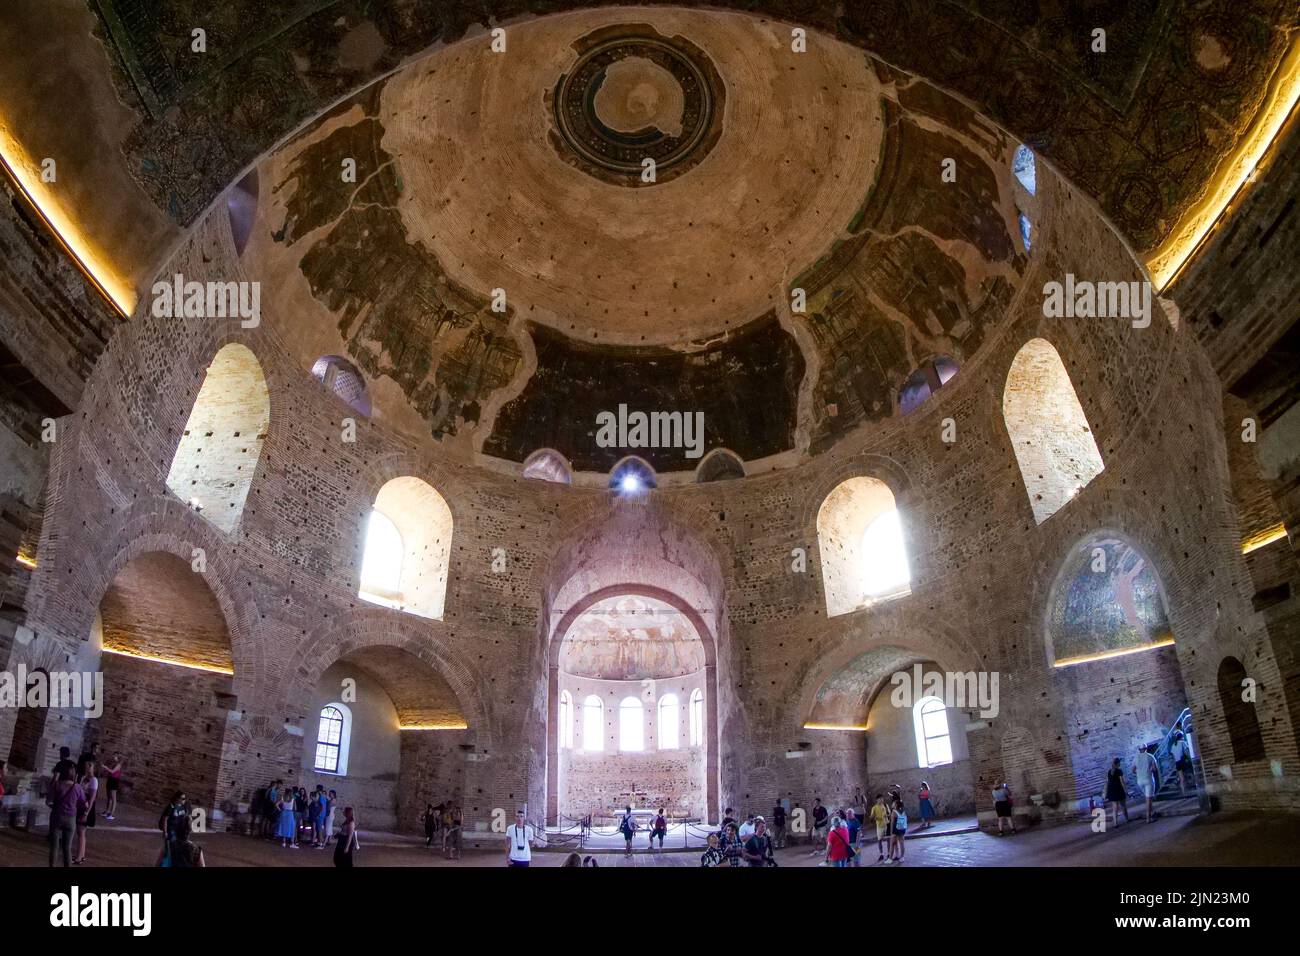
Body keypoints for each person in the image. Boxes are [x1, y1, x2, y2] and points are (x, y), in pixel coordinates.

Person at [47, 767, 85, 867]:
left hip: (56, 816)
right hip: (71, 818)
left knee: (54, 847)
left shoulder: (58, 785)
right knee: (67, 847)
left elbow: (48, 800)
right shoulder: (77, 787)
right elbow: (84, 803)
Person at [73, 757, 99, 864]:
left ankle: (79, 858)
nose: (87, 767)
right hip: (81, 806)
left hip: (86, 808)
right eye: (86, 765)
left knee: (81, 832)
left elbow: (92, 799)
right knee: (81, 832)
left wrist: (86, 813)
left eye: (89, 765)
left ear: (93, 767)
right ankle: (81, 855)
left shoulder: (94, 780)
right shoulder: (85, 778)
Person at [156, 791, 191, 866]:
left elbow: (185, 817)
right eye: (182, 798)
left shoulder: (182, 807)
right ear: (177, 798)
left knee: (174, 849)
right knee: (169, 849)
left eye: (185, 799)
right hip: (170, 831)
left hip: (177, 832)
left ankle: (169, 863)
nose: (184, 800)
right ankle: (164, 863)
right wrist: (165, 832)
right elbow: (165, 819)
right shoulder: (171, 806)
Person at [1133, 745, 1160, 822]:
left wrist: (1139, 772)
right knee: (1148, 799)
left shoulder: (1135, 758)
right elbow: (1155, 769)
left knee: (1148, 798)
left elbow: (1133, 770)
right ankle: (1148, 818)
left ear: (1139, 749)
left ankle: (1153, 812)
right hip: (1148, 780)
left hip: (1140, 781)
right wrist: (1149, 770)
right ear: (1146, 748)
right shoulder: (1150, 756)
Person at [1105, 756, 1130, 827]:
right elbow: (1122, 781)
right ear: (1118, 763)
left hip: (1111, 789)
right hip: (1118, 789)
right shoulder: (1119, 771)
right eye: (1119, 762)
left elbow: (1107, 782)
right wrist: (1126, 790)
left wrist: (1106, 792)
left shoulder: (1109, 771)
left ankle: (1115, 823)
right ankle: (1127, 819)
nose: (1120, 764)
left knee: (1115, 807)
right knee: (1123, 805)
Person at [102, 753, 123, 820]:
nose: (113, 757)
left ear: (117, 757)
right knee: (109, 797)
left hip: (114, 781)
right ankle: (107, 811)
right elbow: (109, 771)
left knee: (113, 798)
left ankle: (111, 814)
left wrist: (105, 767)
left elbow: (112, 771)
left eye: (114, 756)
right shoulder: (113, 763)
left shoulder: (119, 765)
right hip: (110, 780)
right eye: (113, 755)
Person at [1171, 731, 1192, 796]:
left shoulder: (1173, 745)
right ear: (1181, 736)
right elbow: (1186, 752)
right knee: (1190, 774)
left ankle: (1184, 793)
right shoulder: (1183, 743)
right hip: (1183, 761)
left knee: (1182, 779)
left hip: (1177, 763)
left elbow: (1173, 756)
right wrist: (1190, 760)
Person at [870, 794, 889, 862]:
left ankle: (889, 853)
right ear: (877, 800)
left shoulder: (885, 805)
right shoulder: (874, 808)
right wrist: (873, 818)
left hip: (886, 824)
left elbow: (889, 813)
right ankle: (881, 854)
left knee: (888, 840)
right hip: (879, 826)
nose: (881, 800)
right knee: (879, 840)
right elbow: (872, 817)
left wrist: (886, 815)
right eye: (880, 799)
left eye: (882, 798)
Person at [889, 798, 908, 863]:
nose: (893, 804)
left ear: (896, 805)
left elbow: (892, 823)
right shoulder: (903, 811)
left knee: (892, 844)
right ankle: (902, 857)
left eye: (894, 803)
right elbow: (906, 820)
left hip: (896, 829)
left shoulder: (894, 812)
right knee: (902, 843)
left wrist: (891, 832)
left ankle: (890, 859)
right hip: (902, 828)